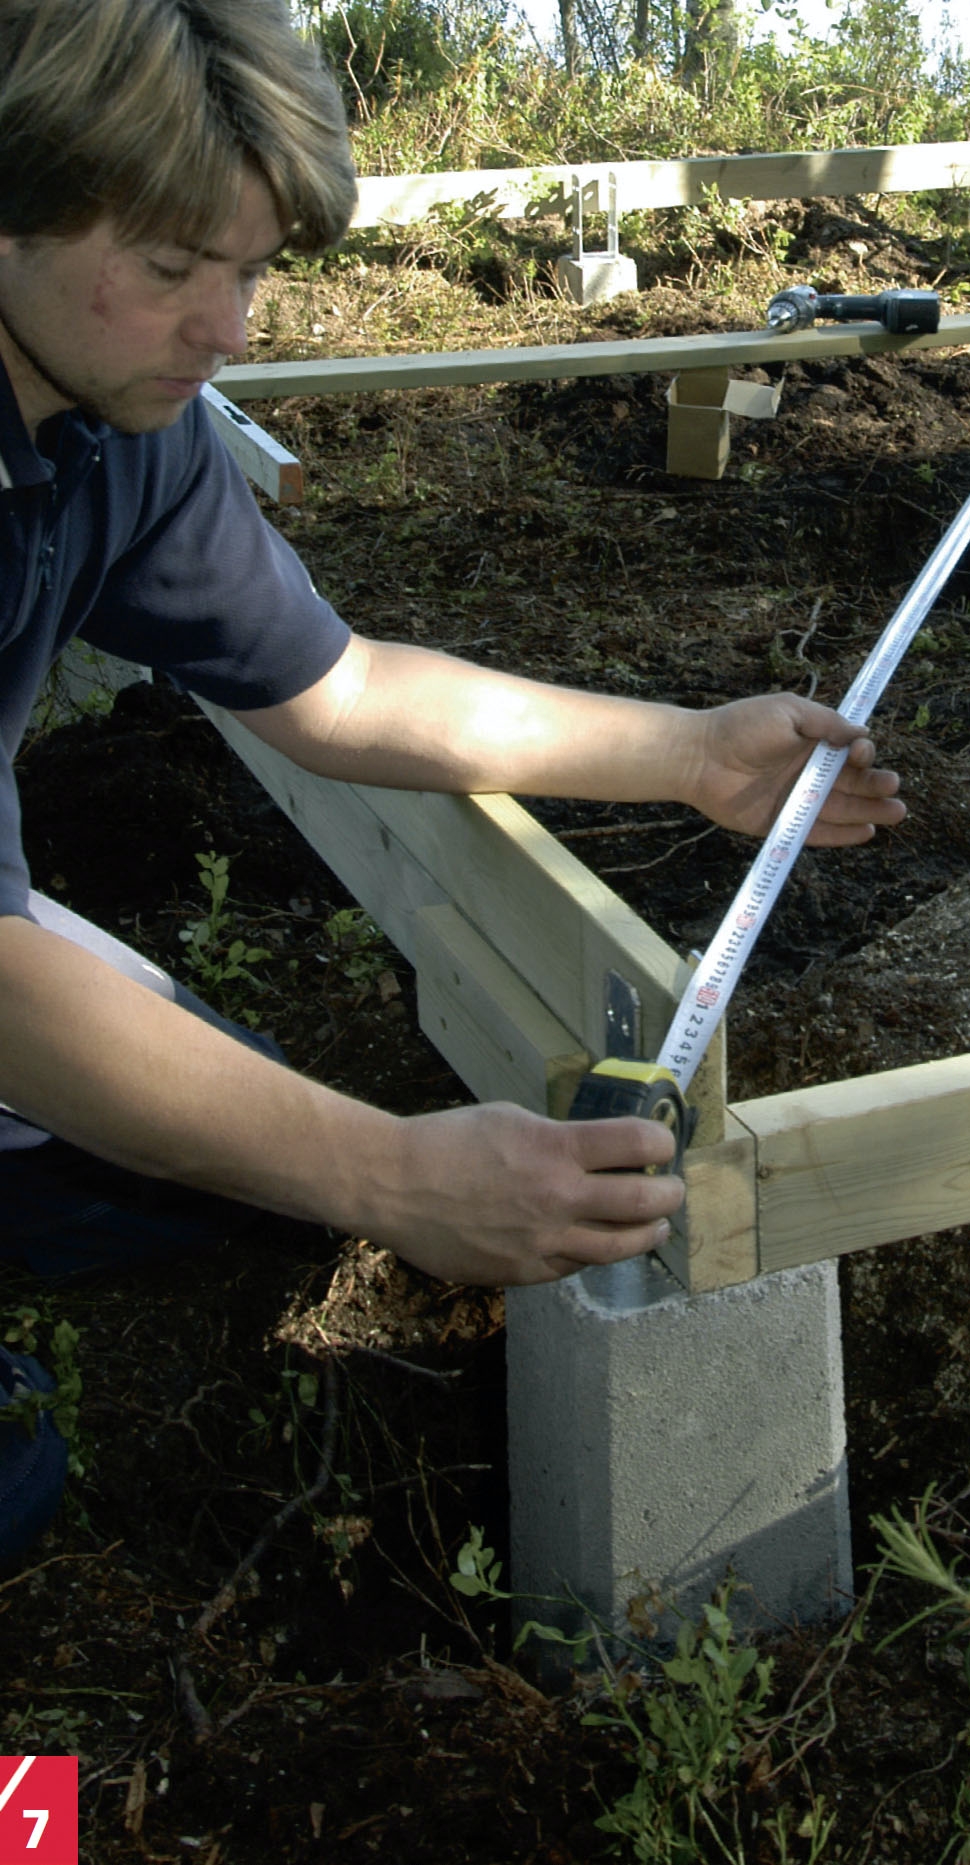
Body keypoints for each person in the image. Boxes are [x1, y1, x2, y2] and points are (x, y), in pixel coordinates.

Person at [0, 0, 905, 1303]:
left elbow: (341, 691)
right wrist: (389, 1175)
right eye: (170, 268)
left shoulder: (122, 426)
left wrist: (692, 751)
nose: (231, 332)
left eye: (250, 274)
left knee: (178, 1169)